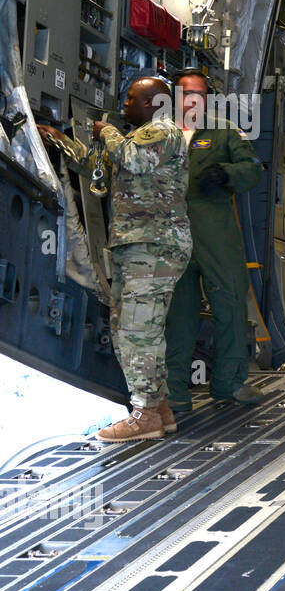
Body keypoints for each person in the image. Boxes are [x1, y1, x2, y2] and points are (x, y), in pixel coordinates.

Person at [37, 77, 191, 440]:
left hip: (154, 247)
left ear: (153, 103)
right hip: (135, 247)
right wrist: (58, 140)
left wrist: (107, 132)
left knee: (139, 331)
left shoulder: (163, 132)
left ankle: (145, 415)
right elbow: (97, 168)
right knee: (132, 329)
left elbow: (131, 160)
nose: (124, 104)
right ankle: (160, 409)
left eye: (131, 98)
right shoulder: (136, 138)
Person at [163, 68, 266, 415]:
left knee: (230, 305)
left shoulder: (222, 131)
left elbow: (253, 168)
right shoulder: (160, 135)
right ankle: (175, 392)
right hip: (172, 236)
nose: (194, 99)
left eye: (201, 93)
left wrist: (226, 174)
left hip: (216, 234)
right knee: (177, 316)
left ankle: (229, 384)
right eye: (187, 92)